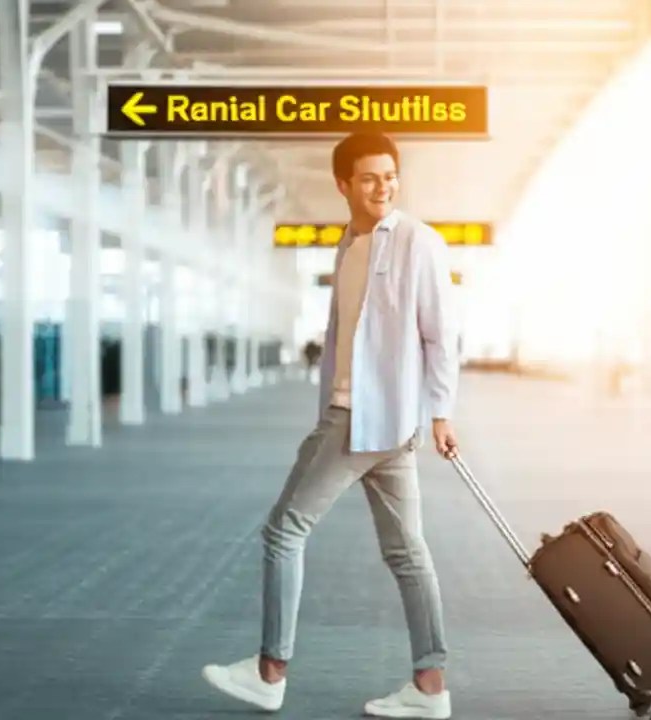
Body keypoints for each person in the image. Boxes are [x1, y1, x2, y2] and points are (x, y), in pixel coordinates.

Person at [202, 132, 461, 719]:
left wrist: (442, 412)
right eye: (369, 177)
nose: (383, 187)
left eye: (390, 176)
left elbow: (441, 333)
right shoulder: (349, 243)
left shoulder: (419, 241)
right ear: (343, 184)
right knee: (407, 552)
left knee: (284, 531)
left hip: (365, 417)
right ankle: (430, 686)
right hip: (376, 422)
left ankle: (270, 672)